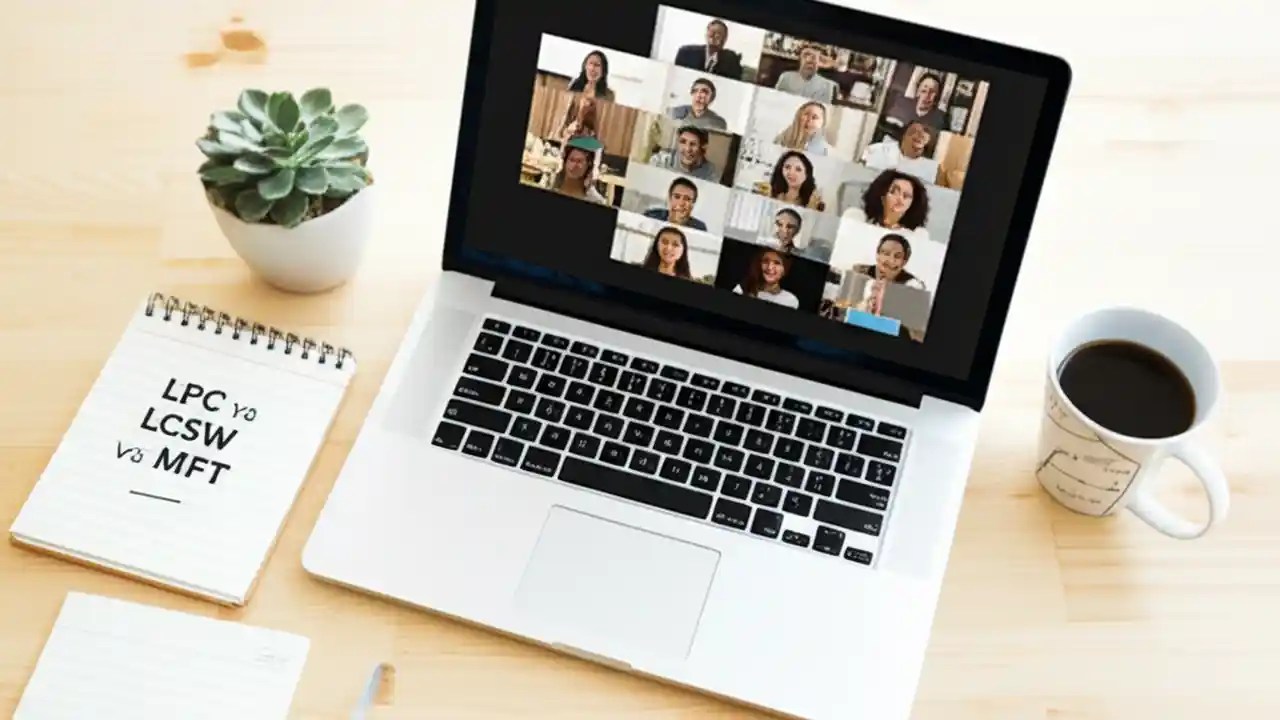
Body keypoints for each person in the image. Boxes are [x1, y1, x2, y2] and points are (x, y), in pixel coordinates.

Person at [841, 168, 930, 243]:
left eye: (906, 196)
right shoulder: (859, 219)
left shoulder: (916, 236)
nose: (900, 198)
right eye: (893, 192)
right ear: (882, 195)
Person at [861, 121, 939, 182]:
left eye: (924, 132)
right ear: (904, 136)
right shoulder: (879, 150)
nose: (919, 135)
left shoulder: (931, 168)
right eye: (913, 131)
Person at [673, 18, 743, 79]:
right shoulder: (686, 53)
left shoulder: (731, 60)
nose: (715, 36)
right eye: (712, 33)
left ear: (725, 39)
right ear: (706, 34)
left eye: (719, 34)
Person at [649, 125, 721, 182]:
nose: (687, 149)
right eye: (683, 142)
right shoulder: (660, 161)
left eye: (693, 144)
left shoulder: (711, 174)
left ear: (703, 148)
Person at [734, 248, 800, 308]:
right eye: (765, 261)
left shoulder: (790, 300)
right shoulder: (741, 290)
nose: (769, 267)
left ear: (784, 270)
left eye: (777, 263)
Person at [774, 45, 838, 103]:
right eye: (806, 55)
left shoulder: (827, 86)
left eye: (815, 57)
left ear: (819, 63)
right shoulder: (786, 77)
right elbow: (776, 101)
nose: (809, 60)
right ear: (800, 59)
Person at [642, 176, 708, 230]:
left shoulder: (699, 228)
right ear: (670, 198)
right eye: (677, 197)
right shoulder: (650, 216)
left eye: (687, 199)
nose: (681, 203)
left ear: (693, 204)